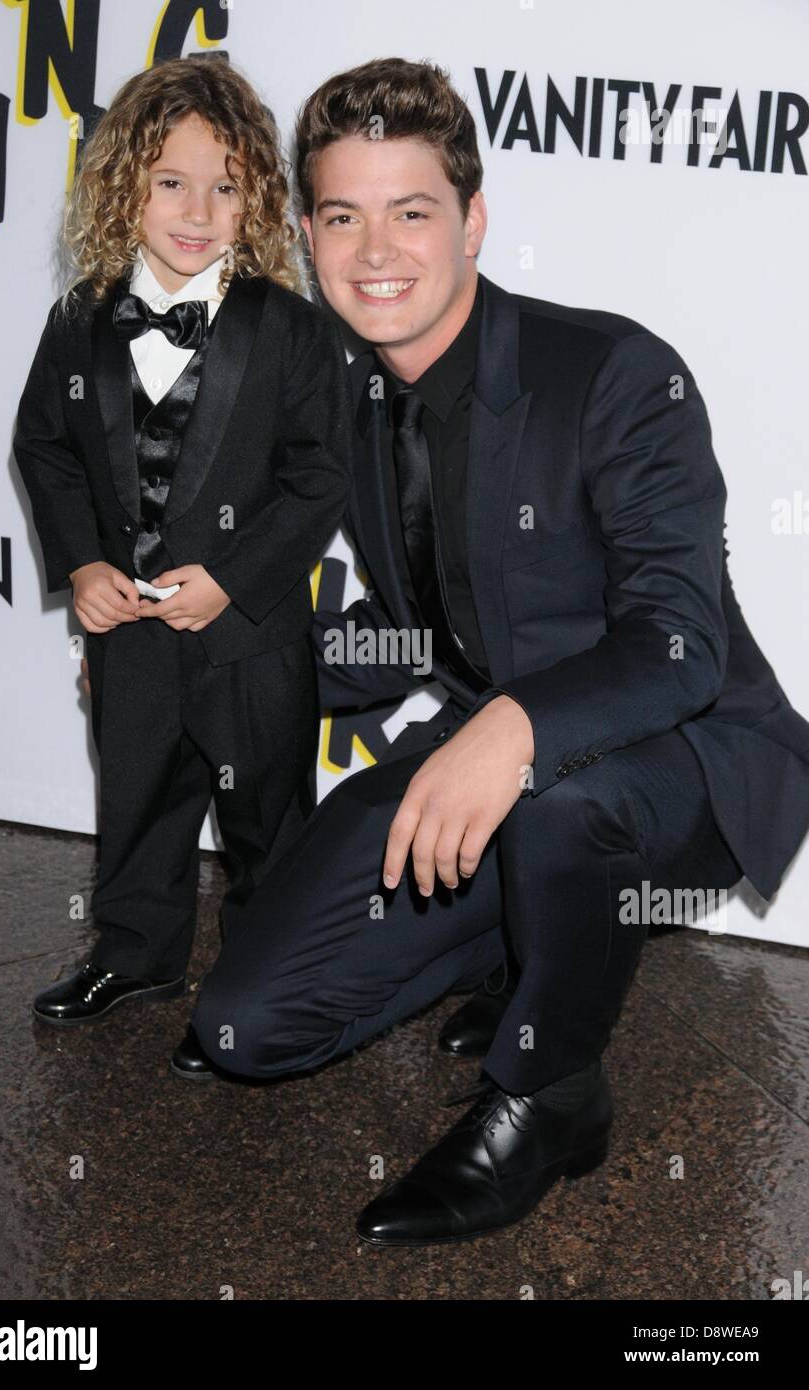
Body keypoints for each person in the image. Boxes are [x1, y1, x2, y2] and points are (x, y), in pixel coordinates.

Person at [188, 57, 809, 1247]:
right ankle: (537, 943)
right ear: (308, 233)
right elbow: (425, 627)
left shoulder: (615, 374)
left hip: (677, 757)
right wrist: (209, 662)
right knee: (244, 1030)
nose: (376, 248)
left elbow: (677, 646)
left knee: (555, 810)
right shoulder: (357, 398)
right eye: (341, 214)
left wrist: (510, 732)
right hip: (499, 755)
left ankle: (549, 1087)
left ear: (470, 220)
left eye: (410, 211)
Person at [13, 56, 352, 1027]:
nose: (197, 209)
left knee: (267, 821)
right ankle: (135, 950)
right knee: (138, 802)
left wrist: (236, 581)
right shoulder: (78, 323)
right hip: (132, 633)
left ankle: (273, 982)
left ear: (255, 200)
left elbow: (317, 475)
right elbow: (47, 450)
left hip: (253, 641)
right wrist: (80, 563)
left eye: (224, 186)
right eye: (171, 182)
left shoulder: (289, 329)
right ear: (127, 184)